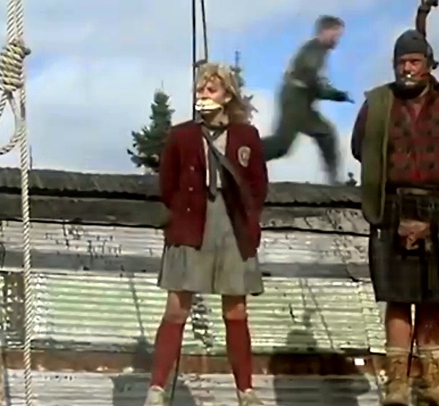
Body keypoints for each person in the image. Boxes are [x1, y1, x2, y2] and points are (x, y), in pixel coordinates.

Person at [351, 28, 439, 406]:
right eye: (401, 62)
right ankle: (397, 384)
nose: (406, 68)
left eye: (414, 61)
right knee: (398, 297)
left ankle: (433, 383)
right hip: (394, 204)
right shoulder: (378, 102)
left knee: (431, 298)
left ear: (428, 64)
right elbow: (361, 147)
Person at [145, 63, 268, 406]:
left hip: (232, 226)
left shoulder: (247, 136)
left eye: (210, 89)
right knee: (176, 309)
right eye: (200, 90)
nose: (203, 95)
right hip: (191, 223)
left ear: (227, 96)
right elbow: (167, 184)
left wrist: (248, 220)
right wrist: (181, 214)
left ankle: (246, 391)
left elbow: (258, 185)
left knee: (236, 311)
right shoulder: (182, 135)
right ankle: (157, 388)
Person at [262, 15, 351, 185]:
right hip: (295, 99)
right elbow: (311, 79)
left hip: (301, 100)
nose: (337, 40)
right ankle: (244, 155)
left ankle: (333, 179)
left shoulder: (319, 51)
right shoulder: (314, 49)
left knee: (325, 133)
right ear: (325, 31)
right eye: (336, 35)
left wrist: (334, 94)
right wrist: (335, 94)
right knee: (282, 144)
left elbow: (314, 83)